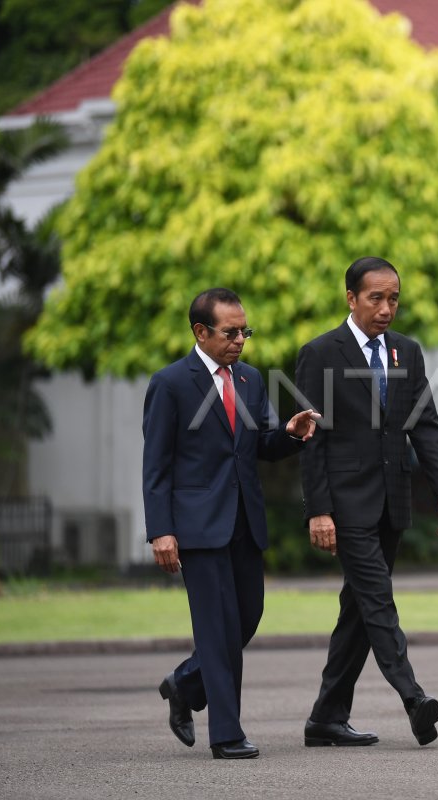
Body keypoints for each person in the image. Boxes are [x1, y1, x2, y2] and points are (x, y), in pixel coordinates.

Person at [143, 287, 319, 760]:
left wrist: (290, 434)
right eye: (231, 331)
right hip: (197, 528)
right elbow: (156, 466)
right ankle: (226, 733)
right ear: (201, 332)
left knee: (247, 617)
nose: (241, 339)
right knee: (216, 630)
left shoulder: (250, 380)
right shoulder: (170, 384)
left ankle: (184, 682)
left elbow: (260, 442)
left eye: (246, 331)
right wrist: (161, 530)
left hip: (245, 522)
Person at [297, 256, 438, 748]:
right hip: (345, 505)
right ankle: (414, 699)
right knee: (378, 601)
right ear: (351, 298)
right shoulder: (320, 353)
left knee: (358, 610)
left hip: (392, 501)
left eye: (394, 298)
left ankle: (326, 717)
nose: (387, 308)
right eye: (376, 298)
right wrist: (318, 509)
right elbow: (312, 440)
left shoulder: (406, 352)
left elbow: (424, 424)